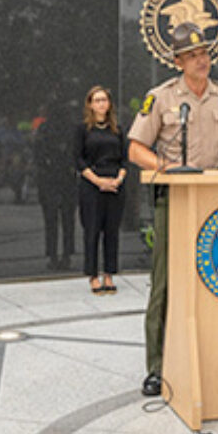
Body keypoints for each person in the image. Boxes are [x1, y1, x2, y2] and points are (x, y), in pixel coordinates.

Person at [127, 22, 218, 397]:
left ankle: (213, 357)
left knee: (216, 281)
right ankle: (157, 366)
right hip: (175, 199)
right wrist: (164, 168)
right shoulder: (161, 97)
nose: (202, 60)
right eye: (194, 55)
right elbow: (136, 149)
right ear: (178, 61)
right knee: (165, 283)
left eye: (205, 53)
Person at [74, 86, 127, 295]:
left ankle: (109, 274)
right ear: (90, 104)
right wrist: (98, 181)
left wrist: (118, 180)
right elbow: (78, 159)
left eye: (104, 100)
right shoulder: (83, 130)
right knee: (92, 230)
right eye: (96, 100)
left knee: (112, 232)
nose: (101, 104)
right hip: (92, 185)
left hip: (115, 185)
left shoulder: (118, 130)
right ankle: (93, 276)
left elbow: (124, 159)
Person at [34, 102, 77, 270]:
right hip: (67, 177)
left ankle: (53, 255)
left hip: (49, 177)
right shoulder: (72, 130)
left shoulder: (44, 129)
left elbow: (37, 153)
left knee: (51, 219)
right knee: (68, 219)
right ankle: (66, 255)